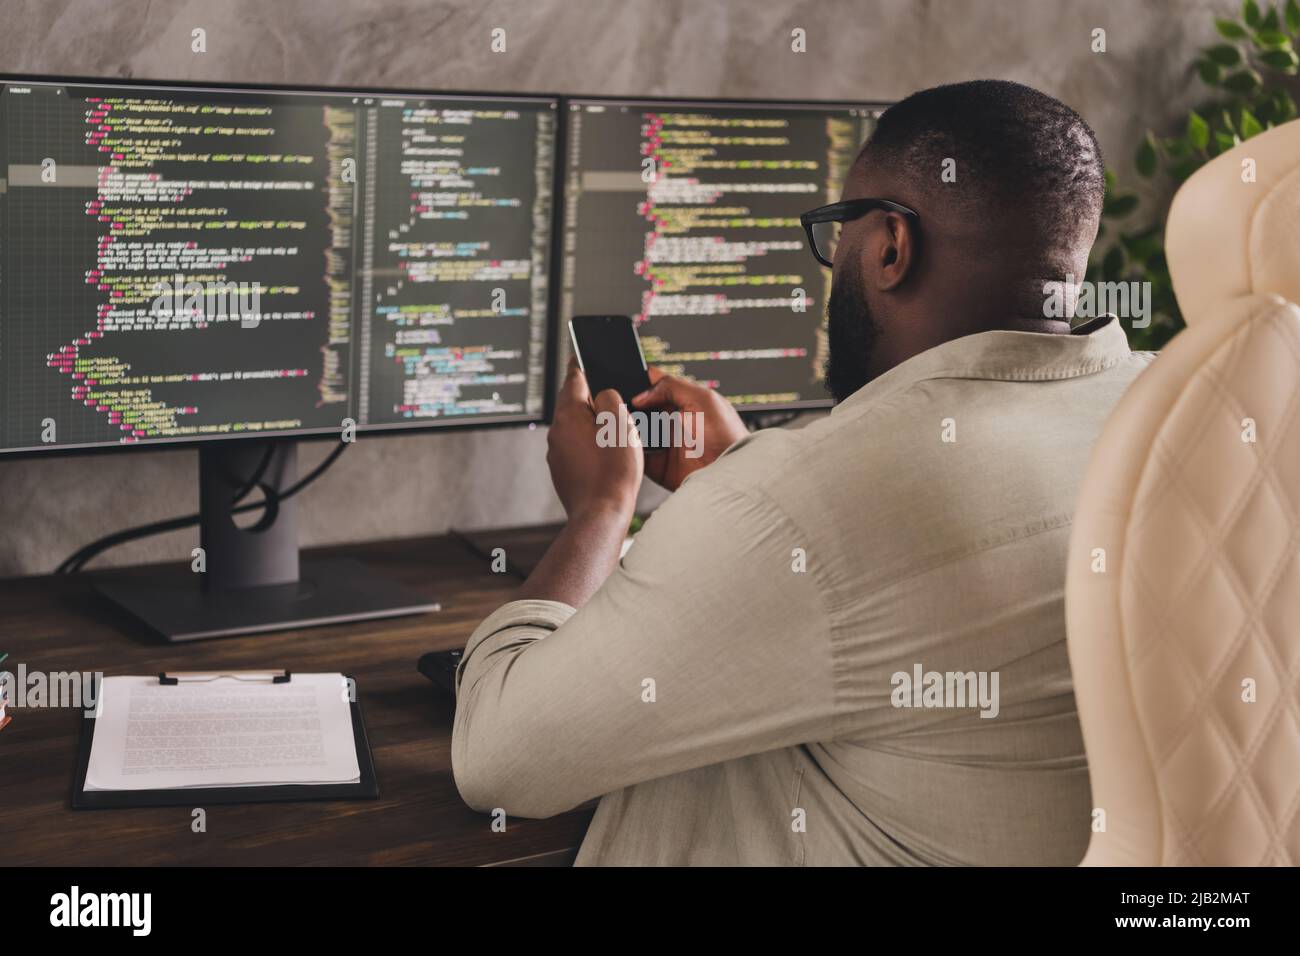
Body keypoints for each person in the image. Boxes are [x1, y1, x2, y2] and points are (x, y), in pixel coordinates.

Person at [451, 80, 1154, 865]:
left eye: (834, 233)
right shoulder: (1187, 410)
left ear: (891, 245)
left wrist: (601, 506)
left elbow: (500, 763)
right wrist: (745, 478)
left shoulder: (809, 503)